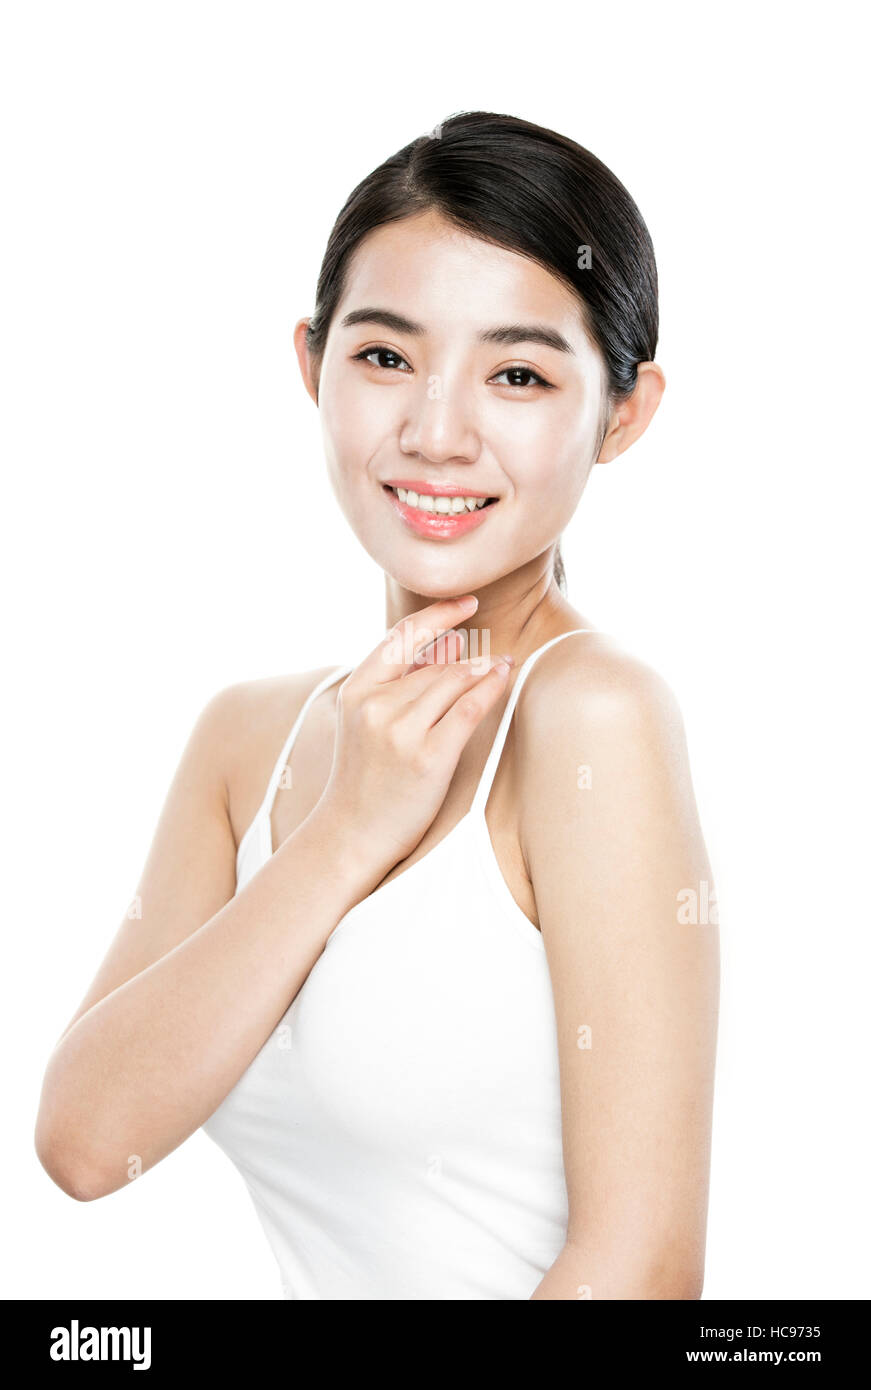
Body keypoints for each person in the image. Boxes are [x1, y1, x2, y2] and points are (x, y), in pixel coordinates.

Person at [35, 111, 720, 1300]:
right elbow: (89, 1145)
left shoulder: (590, 717)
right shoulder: (247, 738)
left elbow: (639, 1269)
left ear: (623, 411)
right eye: (386, 357)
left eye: (517, 374)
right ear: (311, 365)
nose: (435, 434)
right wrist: (348, 827)